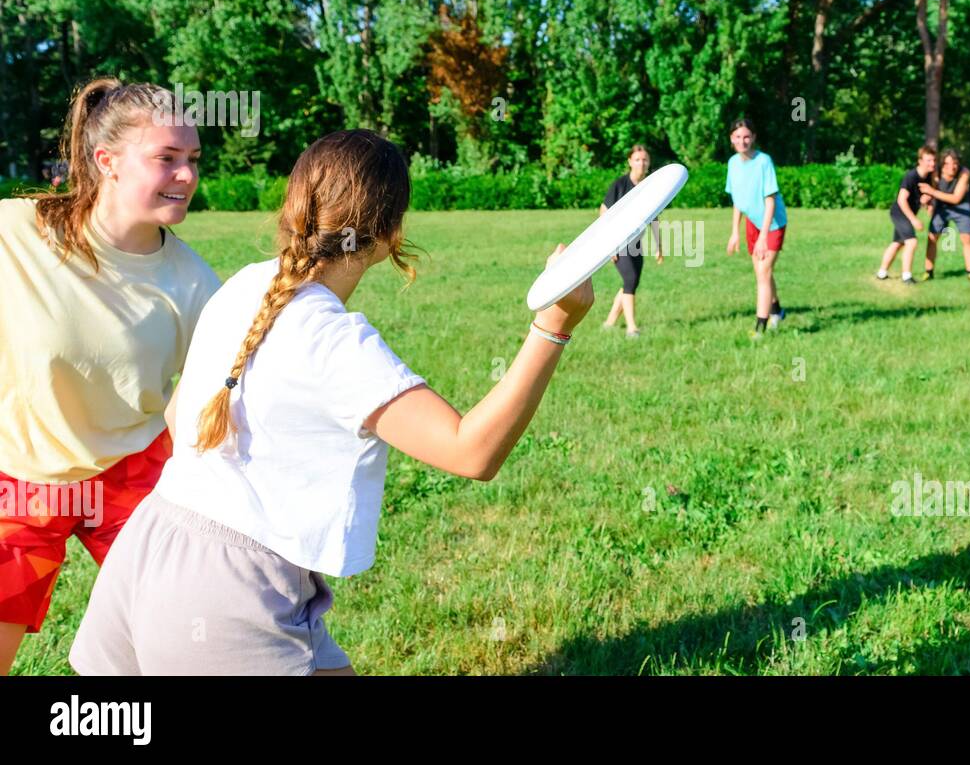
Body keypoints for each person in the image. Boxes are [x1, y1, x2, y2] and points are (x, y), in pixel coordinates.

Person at [70, 130, 594, 675]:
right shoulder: (335, 341)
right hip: (230, 594)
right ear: (391, 233)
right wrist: (552, 328)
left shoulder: (246, 284)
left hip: (151, 544)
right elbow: (471, 453)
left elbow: (180, 416)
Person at [0, 78, 218, 675]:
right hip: (18, 474)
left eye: (192, 159)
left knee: (188, 640)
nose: (186, 175)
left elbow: (219, 399)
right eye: (166, 158)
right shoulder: (16, 232)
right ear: (108, 162)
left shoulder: (196, 284)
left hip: (133, 471)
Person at [725, 118, 787, 338]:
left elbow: (770, 201)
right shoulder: (732, 163)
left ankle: (760, 328)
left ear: (753, 138)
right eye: (738, 137)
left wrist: (763, 237)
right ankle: (777, 310)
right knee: (762, 273)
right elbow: (738, 202)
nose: (743, 141)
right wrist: (735, 232)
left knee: (763, 272)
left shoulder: (763, 162)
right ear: (732, 139)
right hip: (752, 222)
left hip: (773, 224)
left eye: (747, 136)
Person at [601, 145, 663, 338]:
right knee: (630, 280)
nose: (641, 163)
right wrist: (609, 245)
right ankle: (631, 327)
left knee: (630, 283)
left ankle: (610, 322)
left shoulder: (650, 187)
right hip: (618, 243)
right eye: (637, 159)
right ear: (630, 162)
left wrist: (658, 245)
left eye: (644, 159)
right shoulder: (620, 185)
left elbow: (654, 218)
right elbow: (604, 211)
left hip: (637, 243)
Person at [877, 145, 936, 285]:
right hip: (899, 212)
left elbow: (921, 198)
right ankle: (906, 276)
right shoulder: (911, 176)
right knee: (912, 242)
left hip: (906, 213)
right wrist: (914, 220)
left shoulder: (927, 178)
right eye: (929, 160)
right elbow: (901, 199)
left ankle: (881, 273)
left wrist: (926, 203)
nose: (932, 164)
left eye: (933, 160)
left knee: (898, 243)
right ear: (920, 161)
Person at [920, 148, 970, 281]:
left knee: (966, 238)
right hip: (941, 206)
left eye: (955, 163)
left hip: (961, 206)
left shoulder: (964, 172)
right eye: (947, 163)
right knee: (932, 237)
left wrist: (932, 193)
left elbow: (956, 198)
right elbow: (931, 188)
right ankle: (929, 272)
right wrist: (929, 203)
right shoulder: (936, 171)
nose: (952, 167)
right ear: (942, 164)